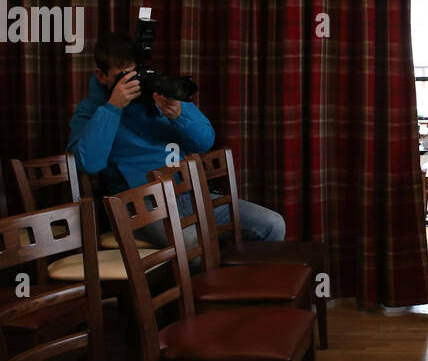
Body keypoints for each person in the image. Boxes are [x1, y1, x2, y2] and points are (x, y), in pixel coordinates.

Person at [68, 33, 285, 247]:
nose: (132, 84)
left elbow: (205, 142)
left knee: (273, 224)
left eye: (135, 75)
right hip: (141, 205)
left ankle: (249, 282)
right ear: (102, 76)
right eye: (122, 77)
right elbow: (89, 163)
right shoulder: (91, 111)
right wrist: (113, 108)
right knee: (191, 244)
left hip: (187, 194)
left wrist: (179, 116)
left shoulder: (159, 92)